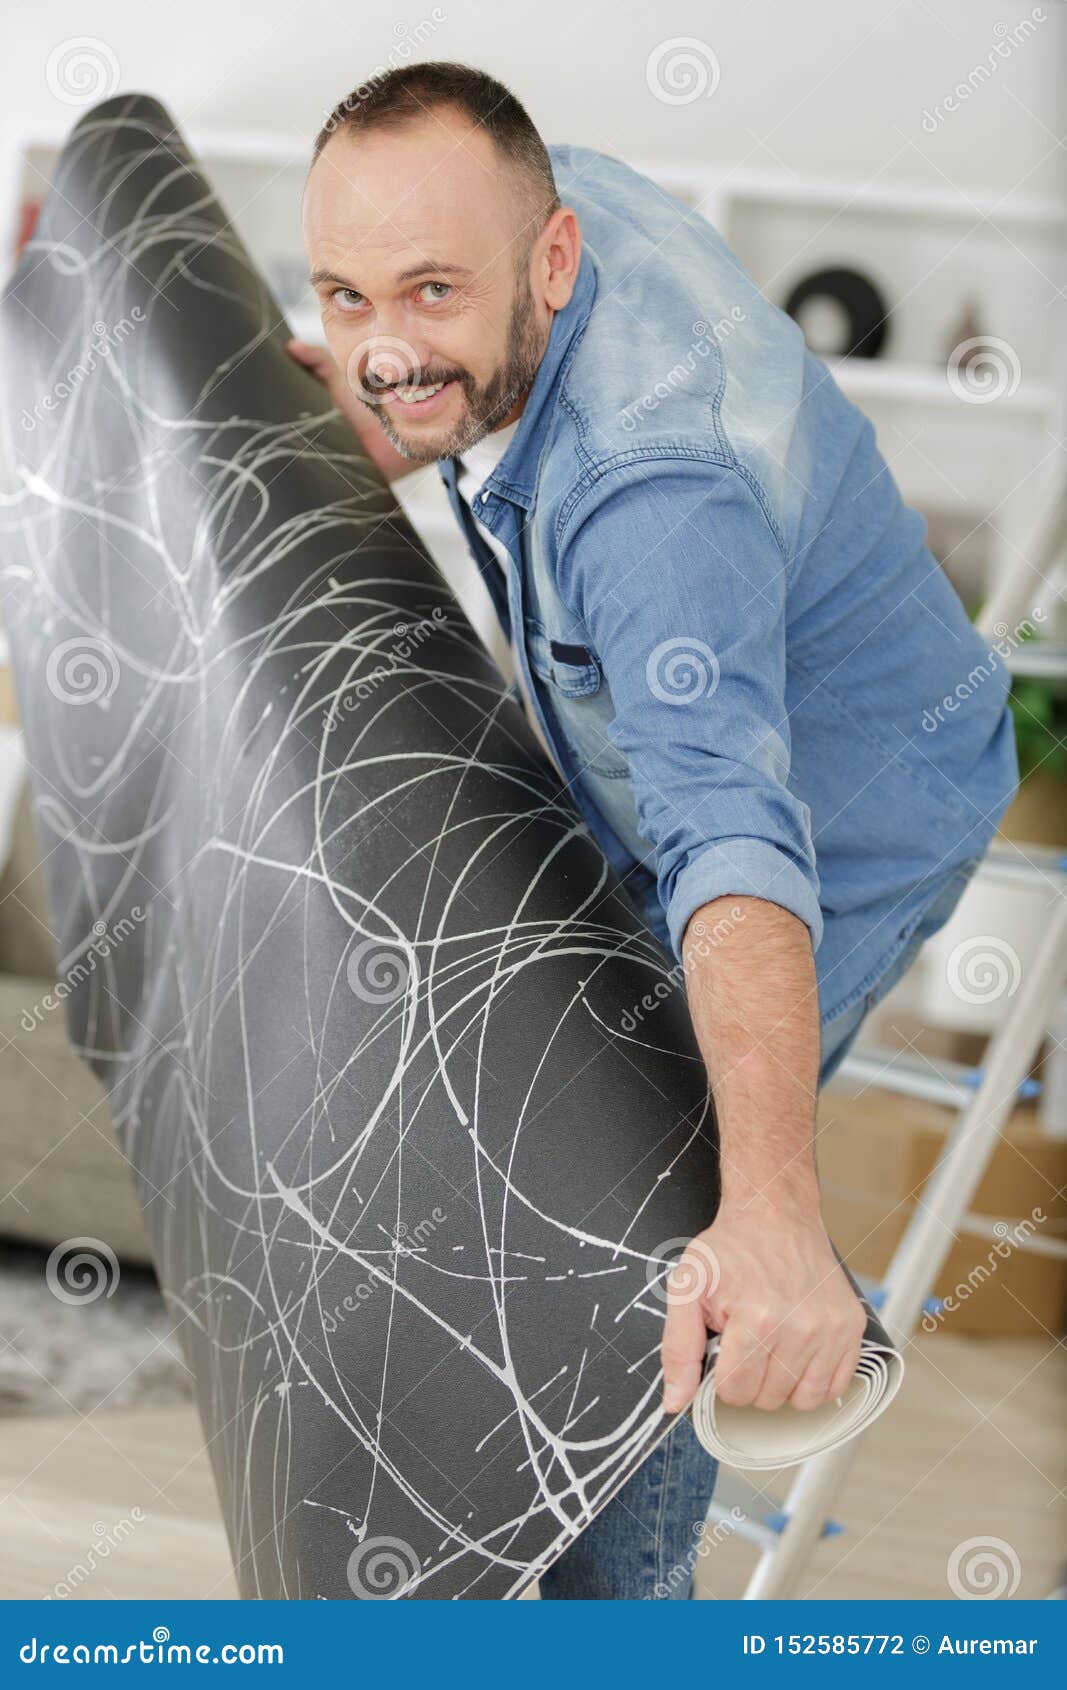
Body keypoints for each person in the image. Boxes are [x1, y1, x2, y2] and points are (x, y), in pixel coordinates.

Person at [287, 60, 1019, 1599]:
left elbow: (736, 848)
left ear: (551, 263)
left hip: (854, 800)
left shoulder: (650, 501)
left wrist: (763, 1218)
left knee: (644, 1264)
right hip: (688, 741)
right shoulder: (540, 210)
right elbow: (431, 345)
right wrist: (399, 355)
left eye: (428, 289)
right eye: (348, 295)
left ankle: (626, 1599)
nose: (383, 343)